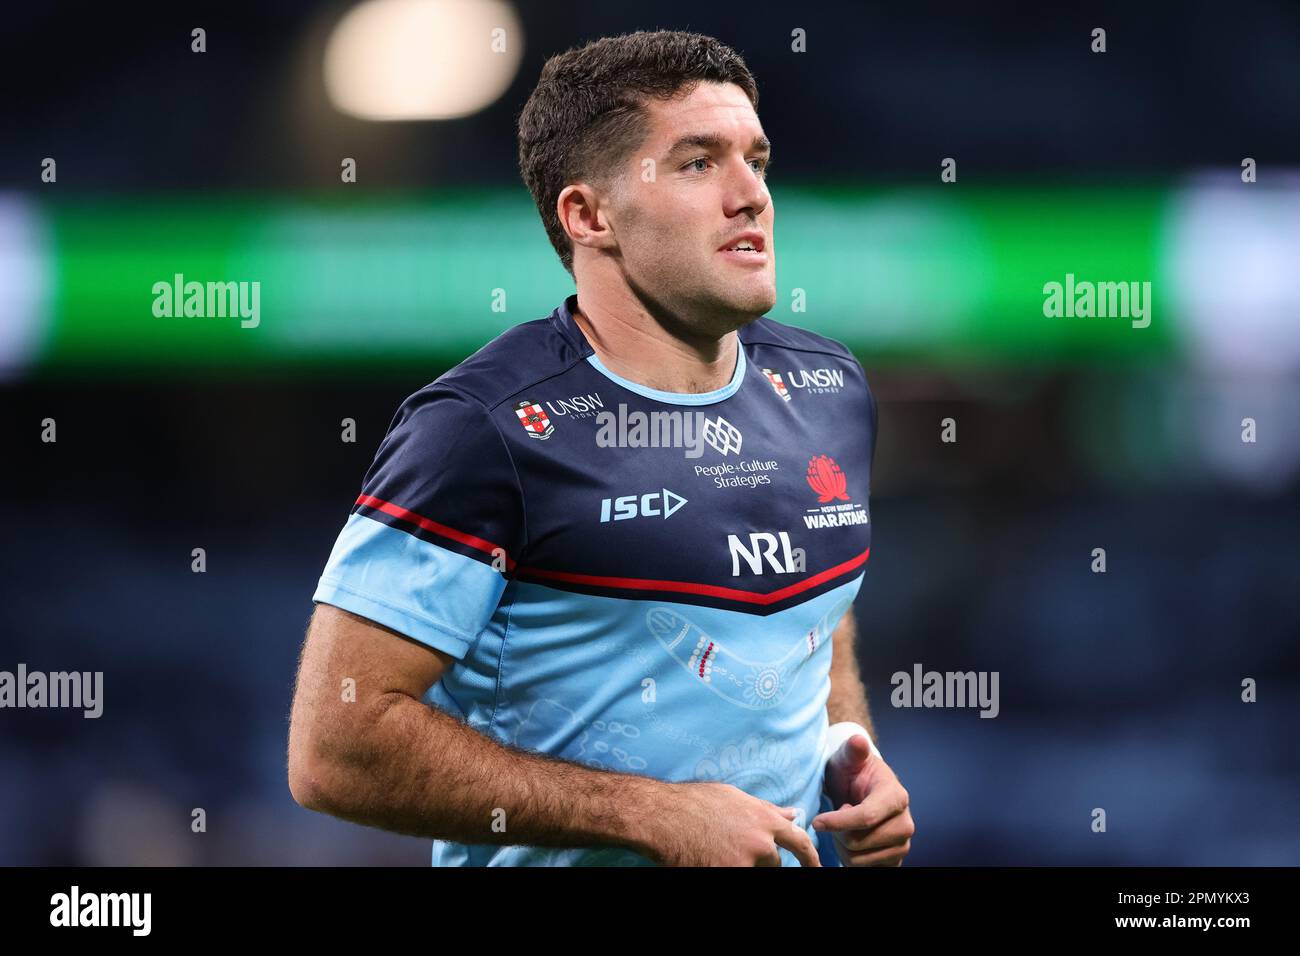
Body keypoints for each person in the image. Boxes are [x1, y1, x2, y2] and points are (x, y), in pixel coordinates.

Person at [288, 29, 913, 867]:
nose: (751, 195)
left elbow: (815, 612)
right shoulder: (482, 429)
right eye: (698, 163)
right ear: (589, 216)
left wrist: (845, 746)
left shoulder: (829, 388)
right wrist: (650, 816)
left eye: (755, 161)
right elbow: (335, 748)